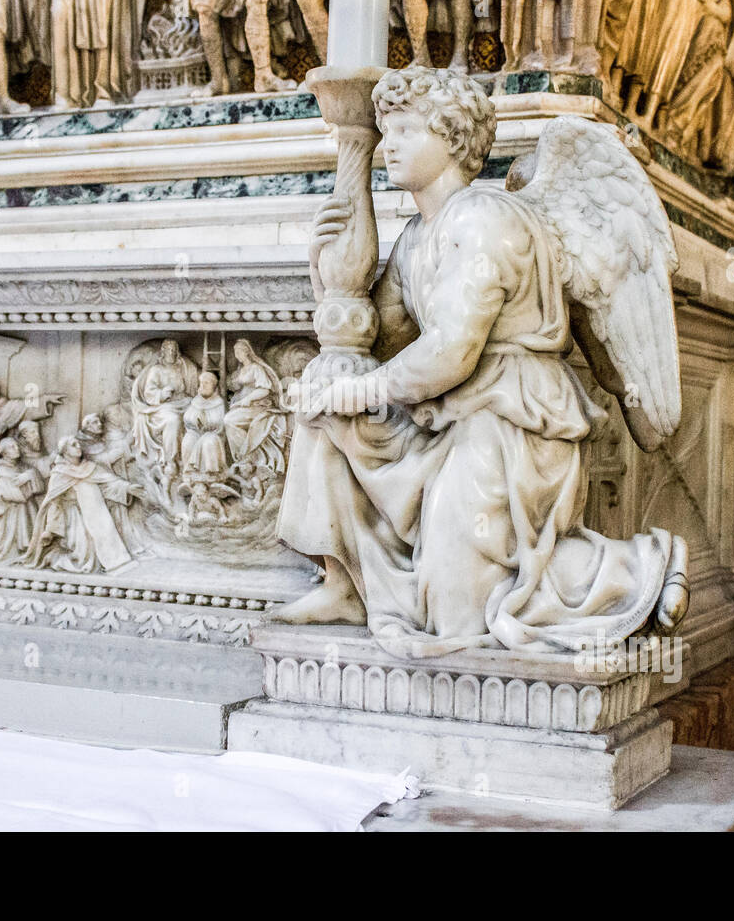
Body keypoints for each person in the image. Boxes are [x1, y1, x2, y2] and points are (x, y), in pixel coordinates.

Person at [274, 67, 687, 658]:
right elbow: (382, 339)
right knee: (326, 390)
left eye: (405, 131)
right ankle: (346, 583)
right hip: (441, 412)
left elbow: (451, 351)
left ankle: (639, 566)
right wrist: (328, 273)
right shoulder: (419, 234)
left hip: (509, 419)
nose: (387, 145)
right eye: (384, 131)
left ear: (453, 139)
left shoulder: (485, 218)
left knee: (459, 614)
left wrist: (363, 392)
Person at [23, 435, 143, 573]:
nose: (79, 447)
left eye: (78, 444)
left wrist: (127, 487)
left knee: (100, 538)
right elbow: (54, 504)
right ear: (65, 451)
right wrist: (50, 530)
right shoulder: (59, 473)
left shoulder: (90, 467)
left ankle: (114, 560)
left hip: (97, 514)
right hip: (74, 520)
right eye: (74, 445)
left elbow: (109, 485)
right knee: (83, 554)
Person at [130, 339, 197, 477]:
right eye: (169, 350)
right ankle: (170, 460)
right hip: (162, 407)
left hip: (182, 402)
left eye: (174, 350)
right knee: (173, 420)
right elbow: (149, 393)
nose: (171, 353)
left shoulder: (181, 368)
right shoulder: (156, 370)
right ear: (163, 352)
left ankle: (195, 460)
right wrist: (162, 393)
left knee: (197, 413)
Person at [223, 338, 286, 472]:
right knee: (228, 420)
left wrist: (248, 399)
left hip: (257, 406)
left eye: (239, 351)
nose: (236, 355)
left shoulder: (256, 368)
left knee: (229, 420)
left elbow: (265, 389)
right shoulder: (241, 370)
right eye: (235, 352)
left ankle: (247, 456)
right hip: (243, 405)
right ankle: (243, 457)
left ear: (247, 352)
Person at [0, 436, 39, 566]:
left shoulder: (21, 467)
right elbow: (18, 496)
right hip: (8, 517)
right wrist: (29, 481)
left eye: (16, 446)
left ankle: (25, 551)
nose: (17, 449)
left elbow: (39, 487)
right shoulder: (2, 473)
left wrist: (29, 476)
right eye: (12, 447)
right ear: (4, 453)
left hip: (23, 512)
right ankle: (16, 553)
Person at [181, 372, 228, 476]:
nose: (203, 386)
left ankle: (211, 473)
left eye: (206, 383)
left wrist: (206, 422)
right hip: (195, 432)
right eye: (201, 383)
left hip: (213, 434)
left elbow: (220, 422)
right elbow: (187, 418)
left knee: (208, 442)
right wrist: (195, 420)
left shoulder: (219, 402)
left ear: (214, 386)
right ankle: (189, 472)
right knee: (188, 441)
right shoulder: (195, 401)